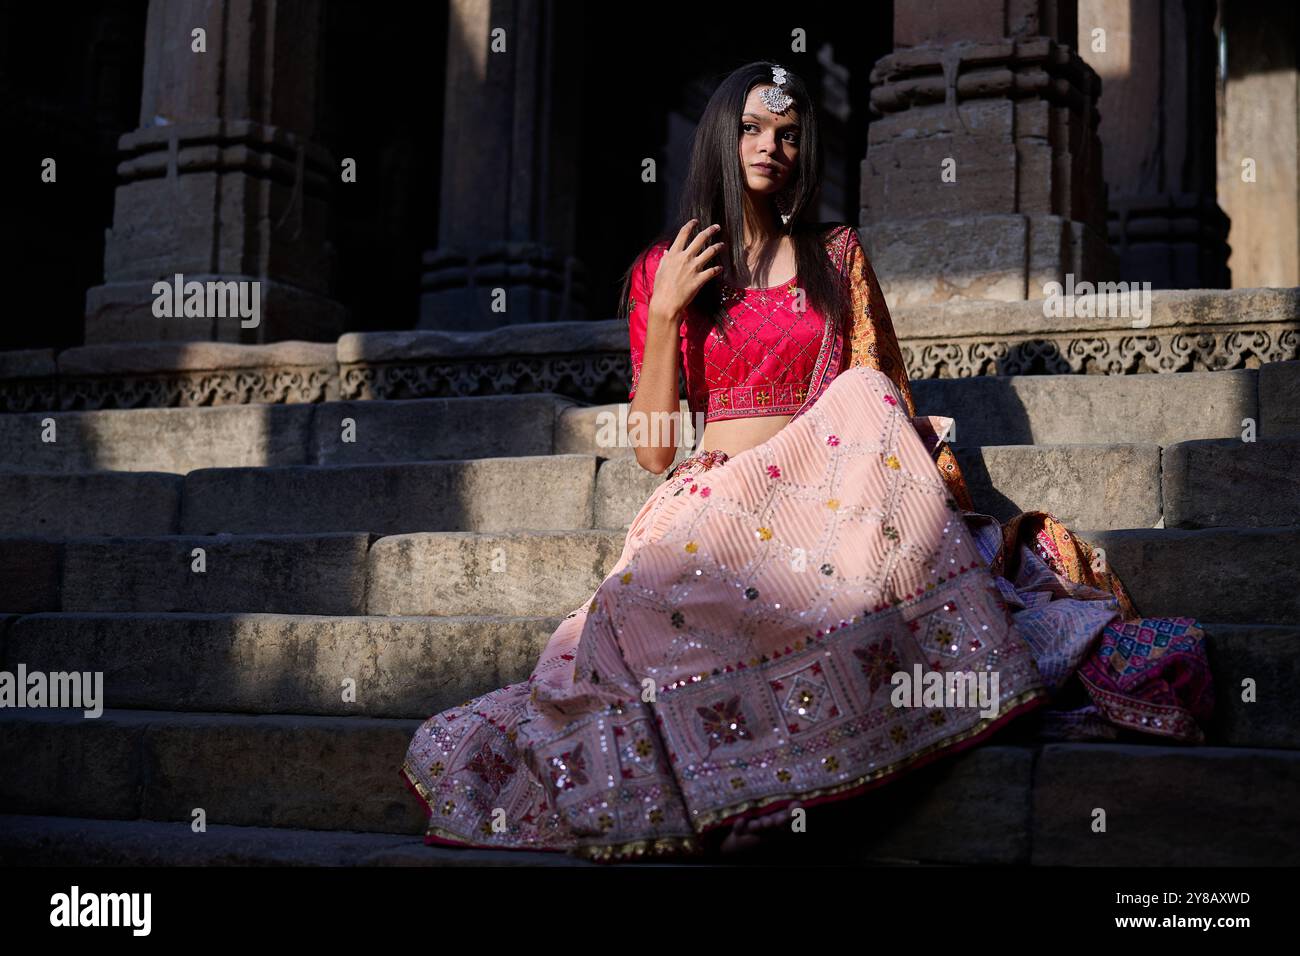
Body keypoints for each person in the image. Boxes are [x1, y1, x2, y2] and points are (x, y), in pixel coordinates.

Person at [399, 61, 1213, 863]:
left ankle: (799, 787)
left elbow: (881, 394)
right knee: (619, 617)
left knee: (861, 400)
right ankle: (732, 793)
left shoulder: (839, 255)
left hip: (827, 496)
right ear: (722, 136)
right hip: (716, 496)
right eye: (752, 129)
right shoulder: (666, 268)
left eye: (788, 134)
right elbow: (652, 450)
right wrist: (664, 311)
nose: (771, 146)